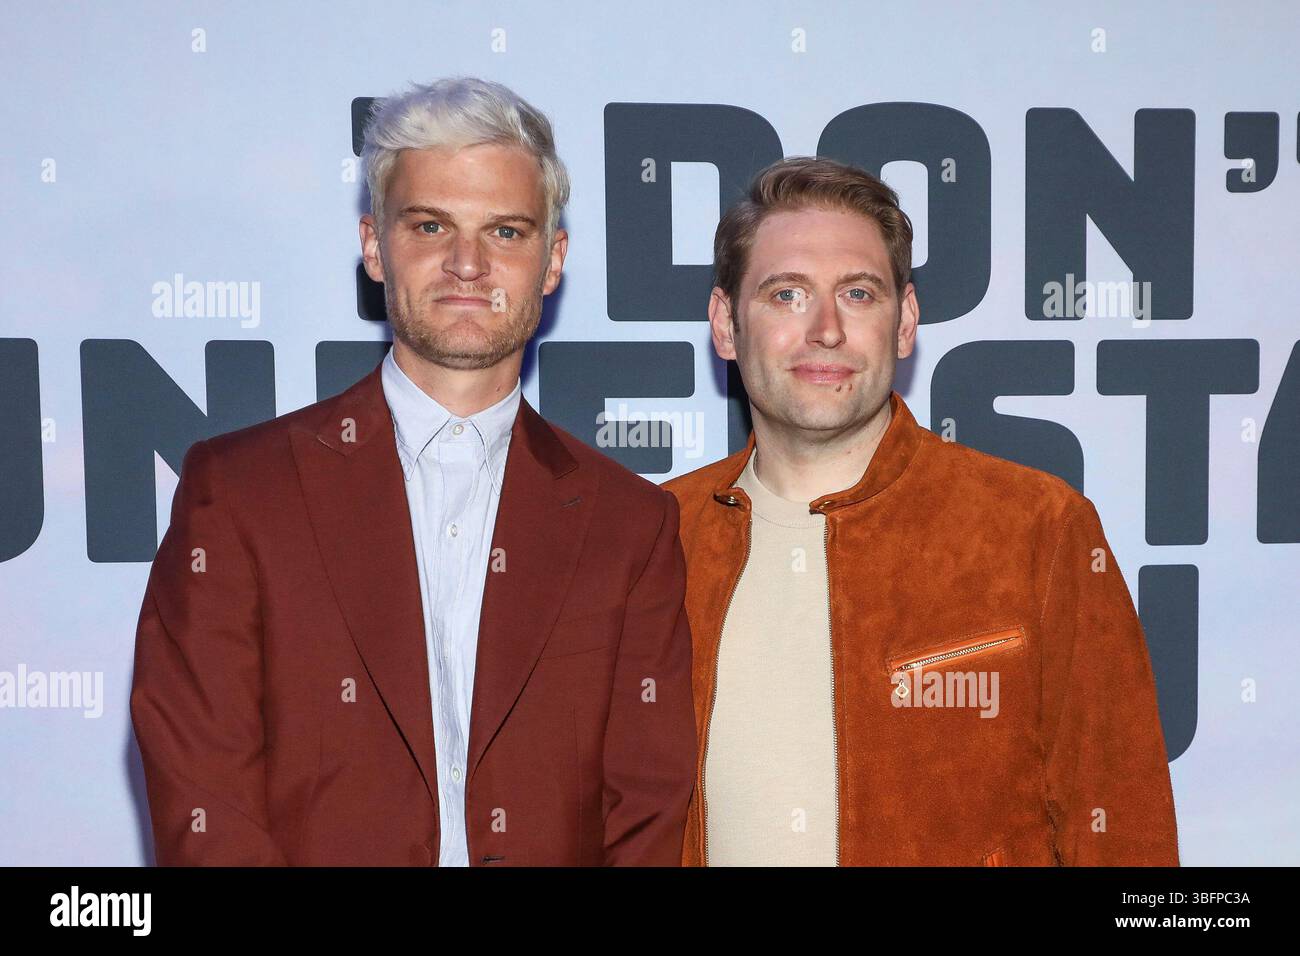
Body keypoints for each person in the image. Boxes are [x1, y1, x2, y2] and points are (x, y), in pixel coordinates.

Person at [130, 77, 696, 866]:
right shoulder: (240, 495)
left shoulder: (629, 523)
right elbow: (203, 790)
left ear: (552, 259)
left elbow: (648, 809)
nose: (467, 263)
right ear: (373, 244)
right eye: (430, 225)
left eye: (505, 231)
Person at [664, 156, 1179, 866]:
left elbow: (1124, 834)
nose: (825, 329)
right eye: (785, 295)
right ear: (726, 324)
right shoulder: (654, 538)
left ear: (905, 322)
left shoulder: (1036, 529)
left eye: (859, 294)